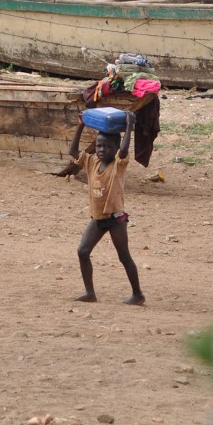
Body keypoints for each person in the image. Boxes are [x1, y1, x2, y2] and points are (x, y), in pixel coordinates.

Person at [70, 110, 145, 306]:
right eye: (99, 146)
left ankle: (138, 294)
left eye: (107, 147)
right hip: (98, 218)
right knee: (82, 251)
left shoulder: (118, 165)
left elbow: (125, 150)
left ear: (115, 148)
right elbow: (73, 152)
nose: (102, 150)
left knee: (124, 256)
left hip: (115, 218)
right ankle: (90, 292)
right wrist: (80, 125)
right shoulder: (92, 162)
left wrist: (130, 126)